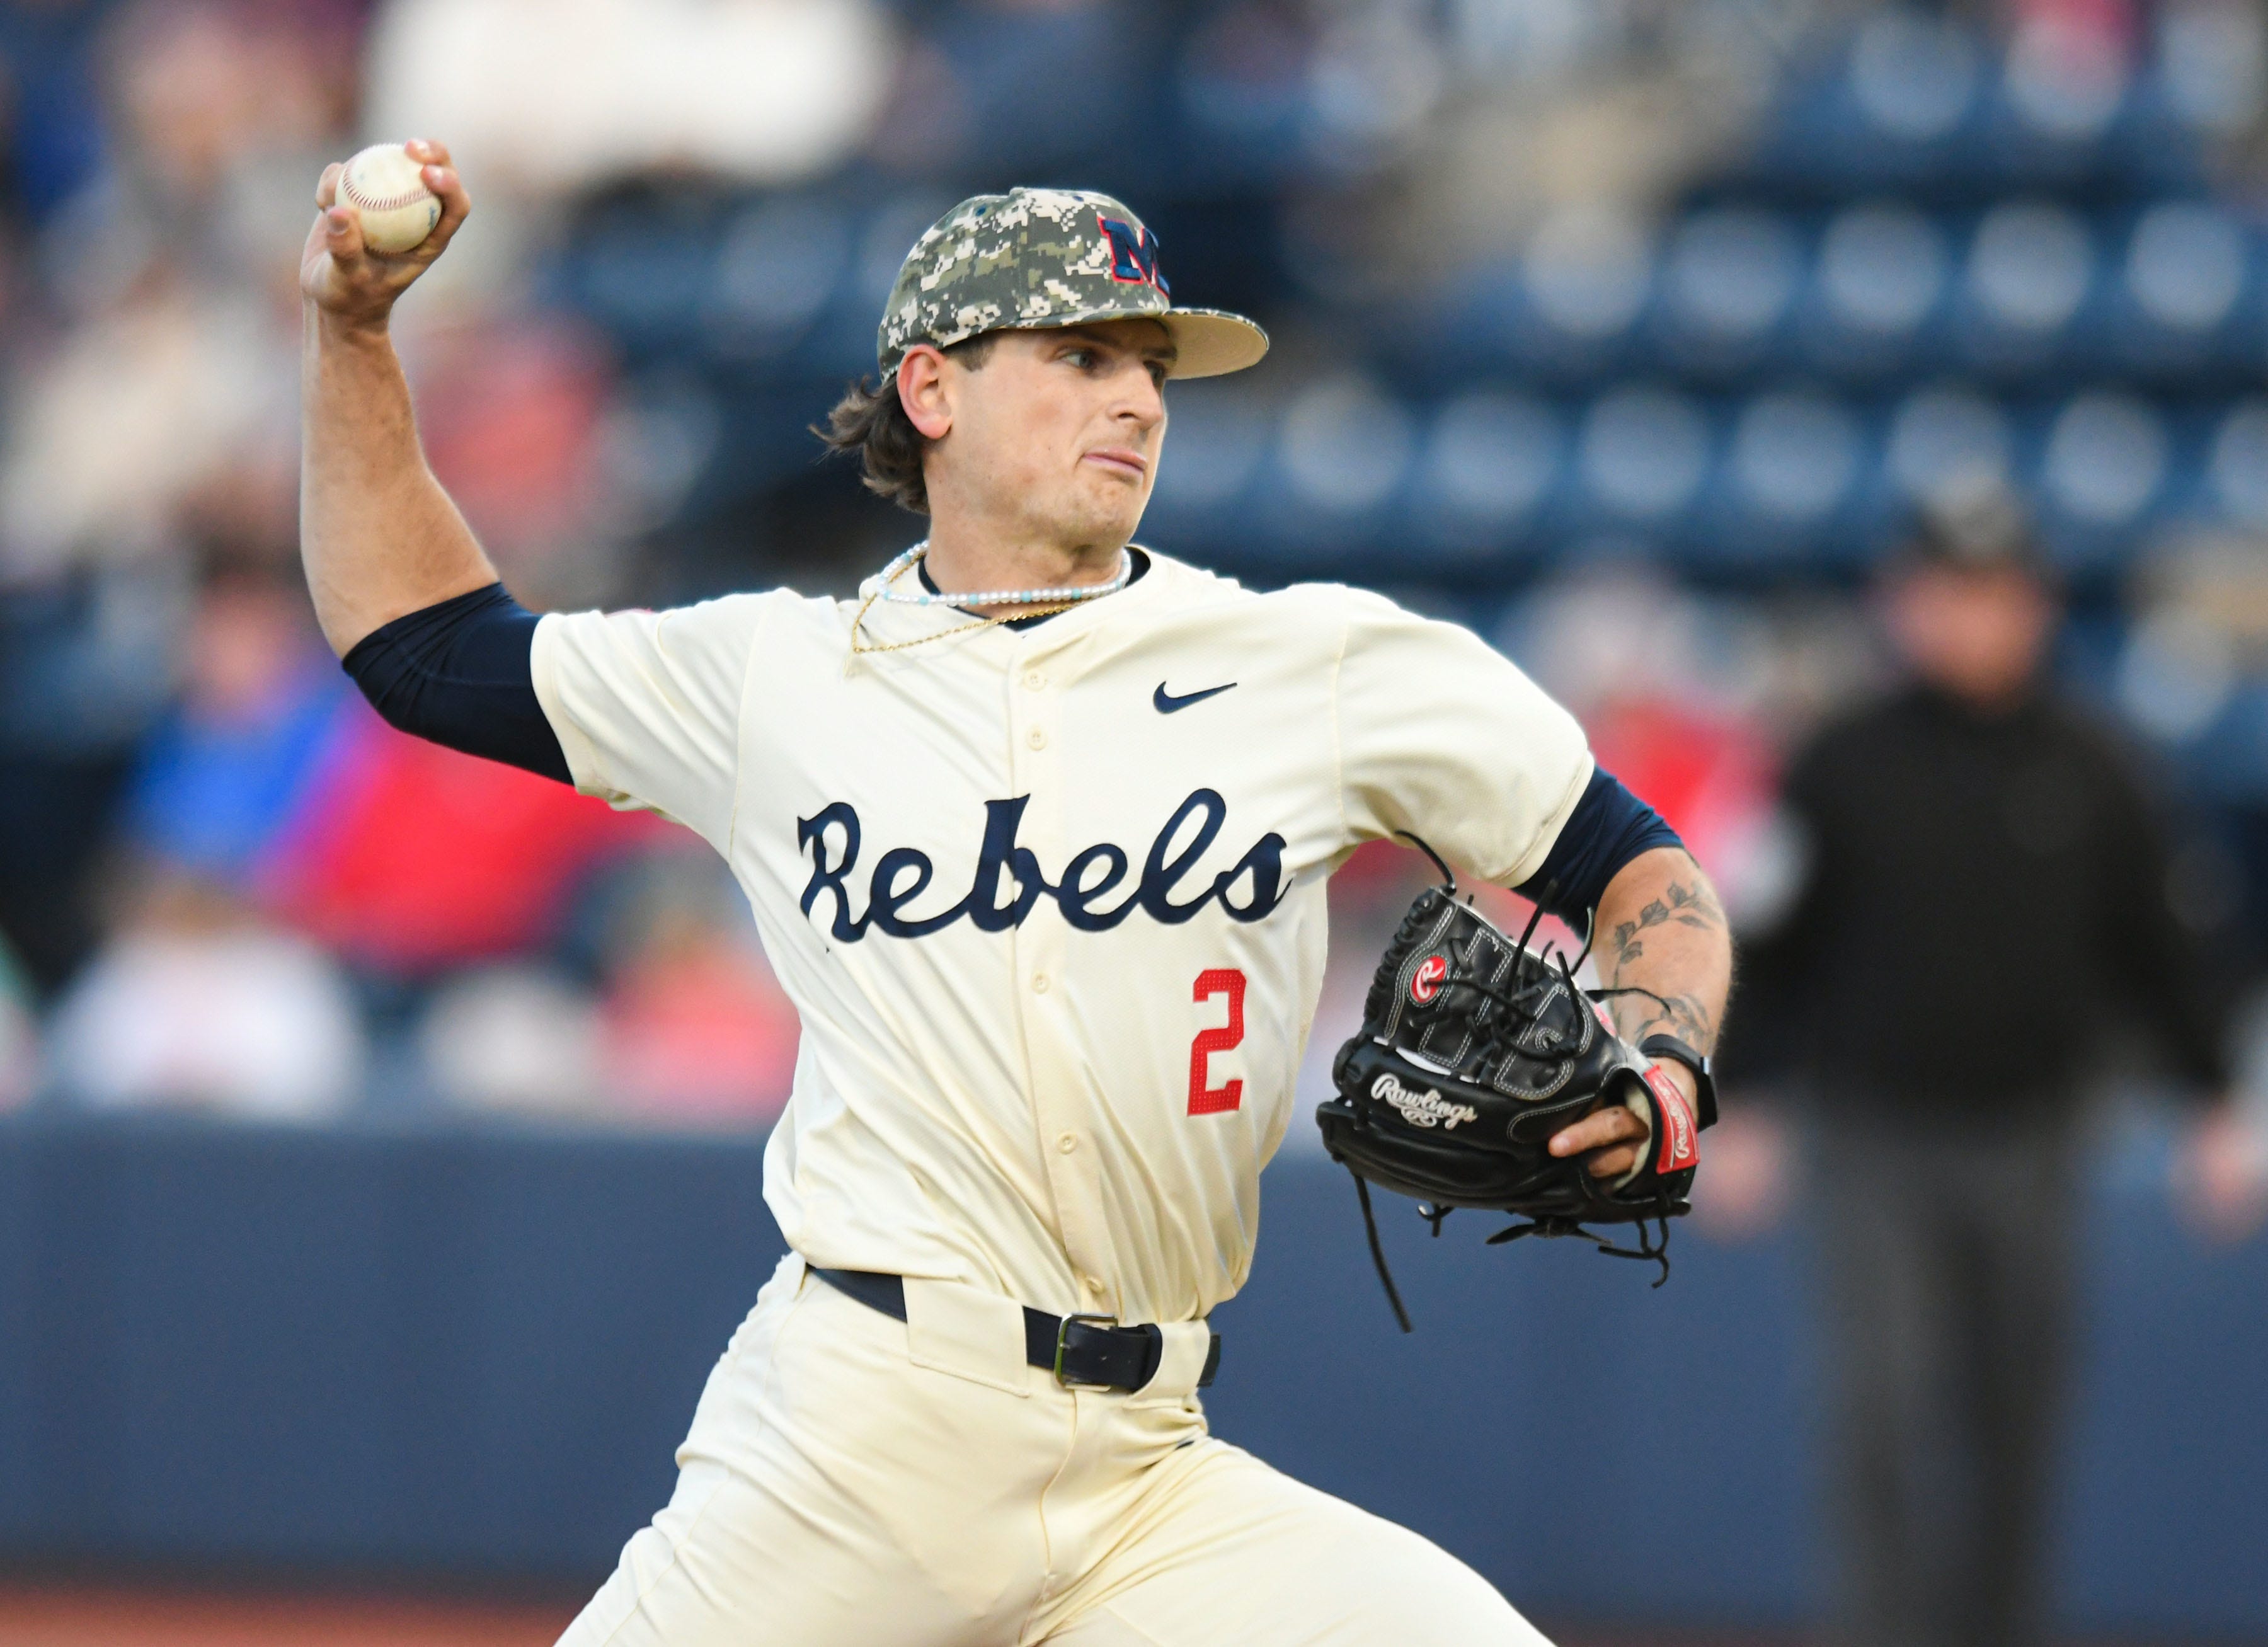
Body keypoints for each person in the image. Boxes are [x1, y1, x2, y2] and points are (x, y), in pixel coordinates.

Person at [297, 143, 1734, 1645]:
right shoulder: (774, 678)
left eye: (1155, 367)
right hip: (859, 1441)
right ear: (934, 390)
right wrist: (350, 335)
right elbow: (419, 645)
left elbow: (1638, 864)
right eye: (1083, 353)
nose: (1139, 399)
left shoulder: (1312, 664)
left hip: (1150, 1475)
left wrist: (1663, 1042)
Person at [1744, 499, 2243, 1647]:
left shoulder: (2096, 764)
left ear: (2038, 606)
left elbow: (2165, 944)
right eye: (1946, 590)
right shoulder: (1841, 761)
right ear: (1900, 604)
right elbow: (1769, 939)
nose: (1970, 618)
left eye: (1994, 592)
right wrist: (1745, 1096)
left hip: (2035, 1133)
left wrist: (2211, 1098)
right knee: (1879, 1411)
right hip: (1874, 1140)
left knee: (2015, 1419)